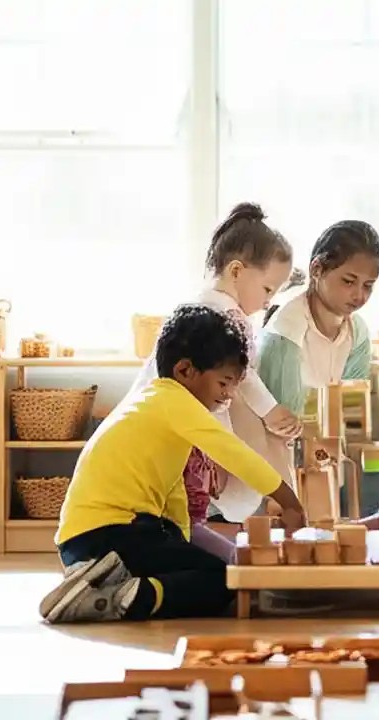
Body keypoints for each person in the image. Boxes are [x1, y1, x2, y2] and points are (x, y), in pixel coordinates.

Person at [38, 304, 307, 623]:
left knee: (209, 570)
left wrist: (182, 548)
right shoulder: (176, 401)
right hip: (111, 534)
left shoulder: (155, 401)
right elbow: (234, 452)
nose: (229, 395)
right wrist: (288, 501)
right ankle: (129, 597)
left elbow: (173, 495)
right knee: (223, 580)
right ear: (185, 371)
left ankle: (109, 582)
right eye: (223, 383)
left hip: (88, 540)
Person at [118, 203, 303, 560]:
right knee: (196, 498)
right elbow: (224, 388)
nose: (266, 303)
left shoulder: (199, 305)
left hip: (155, 418)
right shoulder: (227, 317)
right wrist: (265, 414)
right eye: (267, 290)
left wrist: (266, 411)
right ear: (237, 271)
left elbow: (236, 380)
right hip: (186, 425)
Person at [234, 220, 379, 496]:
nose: (359, 295)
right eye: (349, 282)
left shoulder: (357, 331)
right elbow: (282, 430)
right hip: (272, 470)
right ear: (317, 269)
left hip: (320, 461)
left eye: (368, 286)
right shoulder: (285, 334)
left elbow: (350, 414)